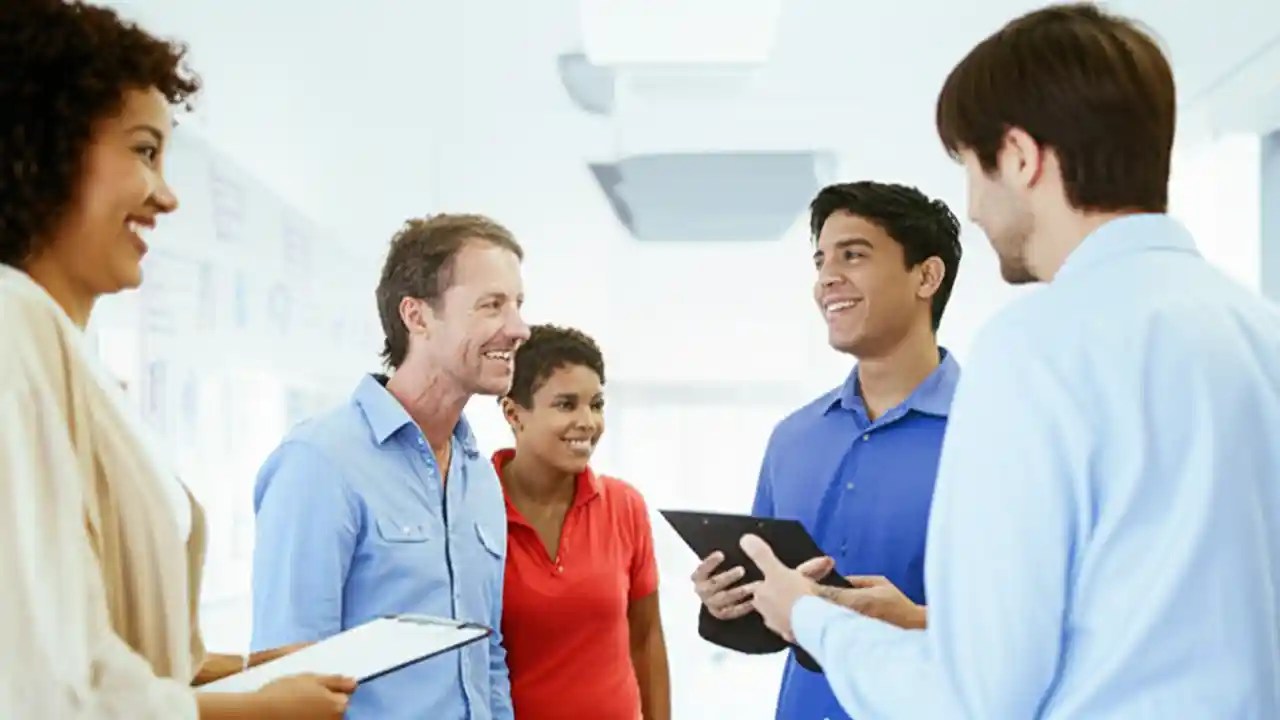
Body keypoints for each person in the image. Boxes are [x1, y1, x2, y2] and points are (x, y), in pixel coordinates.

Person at [742, 4, 1280, 719]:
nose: (973, 207)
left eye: (972, 166)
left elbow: (973, 700)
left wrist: (809, 617)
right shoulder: (1260, 335)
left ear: (1021, 158)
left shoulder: (1034, 349)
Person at [0, 1, 354, 717]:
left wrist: (253, 672)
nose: (166, 194)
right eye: (143, 151)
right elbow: (47, 690)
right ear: (49, 139)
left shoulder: (69, 358)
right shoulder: (14, 322)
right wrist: (264, 709)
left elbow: (133, 660)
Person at [690, 181, 963, 719]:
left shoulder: (993, 434)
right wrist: (726, 604)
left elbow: (1037, 629)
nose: (827, 279)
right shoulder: (793, 438)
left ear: (926, 276)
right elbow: (772, 620)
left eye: (854, 255)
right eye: (821, 261)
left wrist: (917, 620)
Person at [250, 213, 529, 720]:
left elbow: (487, 660)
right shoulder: (320, 463)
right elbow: (288, 678)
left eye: (518, 305)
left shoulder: (479, 477)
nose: (518, 329)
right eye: (492, 305)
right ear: (417, 316)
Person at [491, 324, 671, 720]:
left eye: (597, 404)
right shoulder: (472, 510)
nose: (588, 421)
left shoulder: (625, 506)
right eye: (566, 404)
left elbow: (646, 639)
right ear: (513, 413)